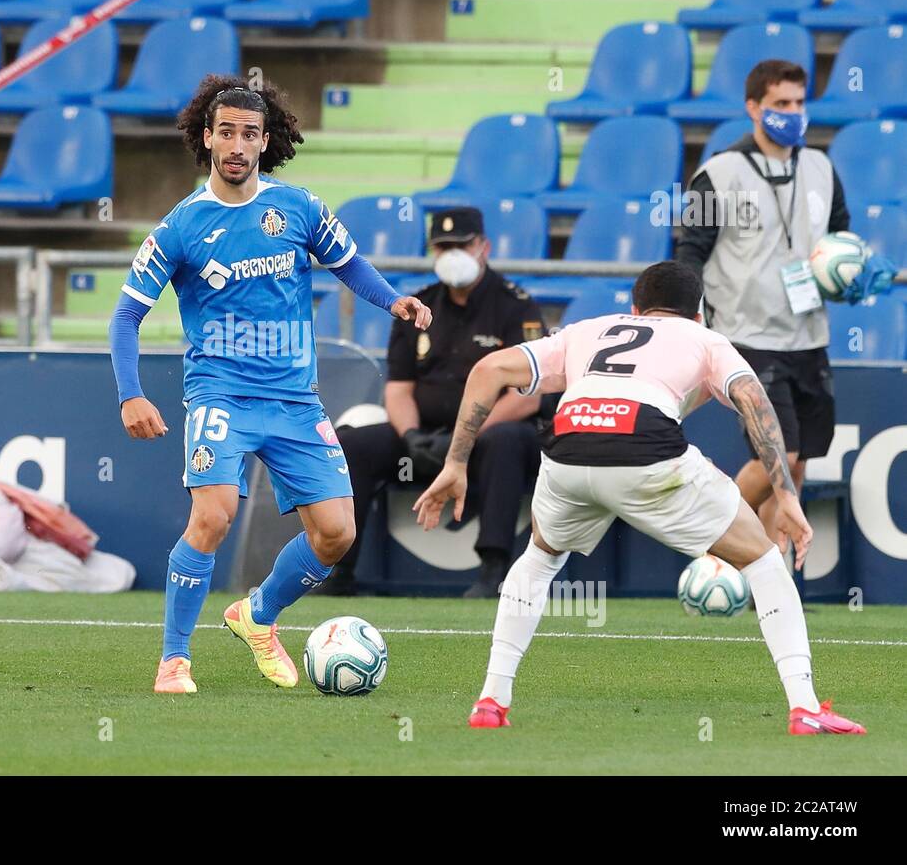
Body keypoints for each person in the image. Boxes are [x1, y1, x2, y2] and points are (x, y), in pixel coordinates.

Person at [414, 260, 866, 735]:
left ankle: (490, 701)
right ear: (698, 315)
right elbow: (755, 400)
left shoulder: (589, 330)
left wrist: (456, 463)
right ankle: (805, 708)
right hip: (645, 445)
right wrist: (786, 494)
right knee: (764, 562)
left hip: (569, 443)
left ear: (634, 308)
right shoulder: (706, 339)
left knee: (540, 558)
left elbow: (488, 368)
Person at [109, 75, 432, 694]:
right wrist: (131, 392)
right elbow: (126, 315)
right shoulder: (181, 228)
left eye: (248, 134)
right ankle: (174, 659)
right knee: (214, 514)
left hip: (293, 399)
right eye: (225, 131)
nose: (236, 144)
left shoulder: (300, 208)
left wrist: (393, 302)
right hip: (220, 395)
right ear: (206, 138)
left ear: (265, 142)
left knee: (337, 534)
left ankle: (257, 616)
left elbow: (350, 265)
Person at [329, 206, 545, 598]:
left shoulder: (516, 306)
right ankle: (339, 567)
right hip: (425, 441)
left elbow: (528, 396)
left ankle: (493, 571)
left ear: (484, 247)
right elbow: (398, 389)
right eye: (442, 246)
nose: (451, 254)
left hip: (487, 437)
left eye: (460, 245)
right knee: (354, 445)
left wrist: (463, 438)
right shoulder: (417, 307)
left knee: (508, 441)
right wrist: (411, 436)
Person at [676, 59, 845, 554]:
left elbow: (839, 235)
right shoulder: (719, 173)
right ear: (754, 108)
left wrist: (850, 270)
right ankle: (705, 539)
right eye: (780, 104)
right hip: (747, 334)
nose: (793, 113)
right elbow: (690, 252)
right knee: (781, 452)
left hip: (809, 333)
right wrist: (692, 320)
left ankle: (770, 579)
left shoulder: (821, 167)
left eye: (799, 102)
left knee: (794, 465)